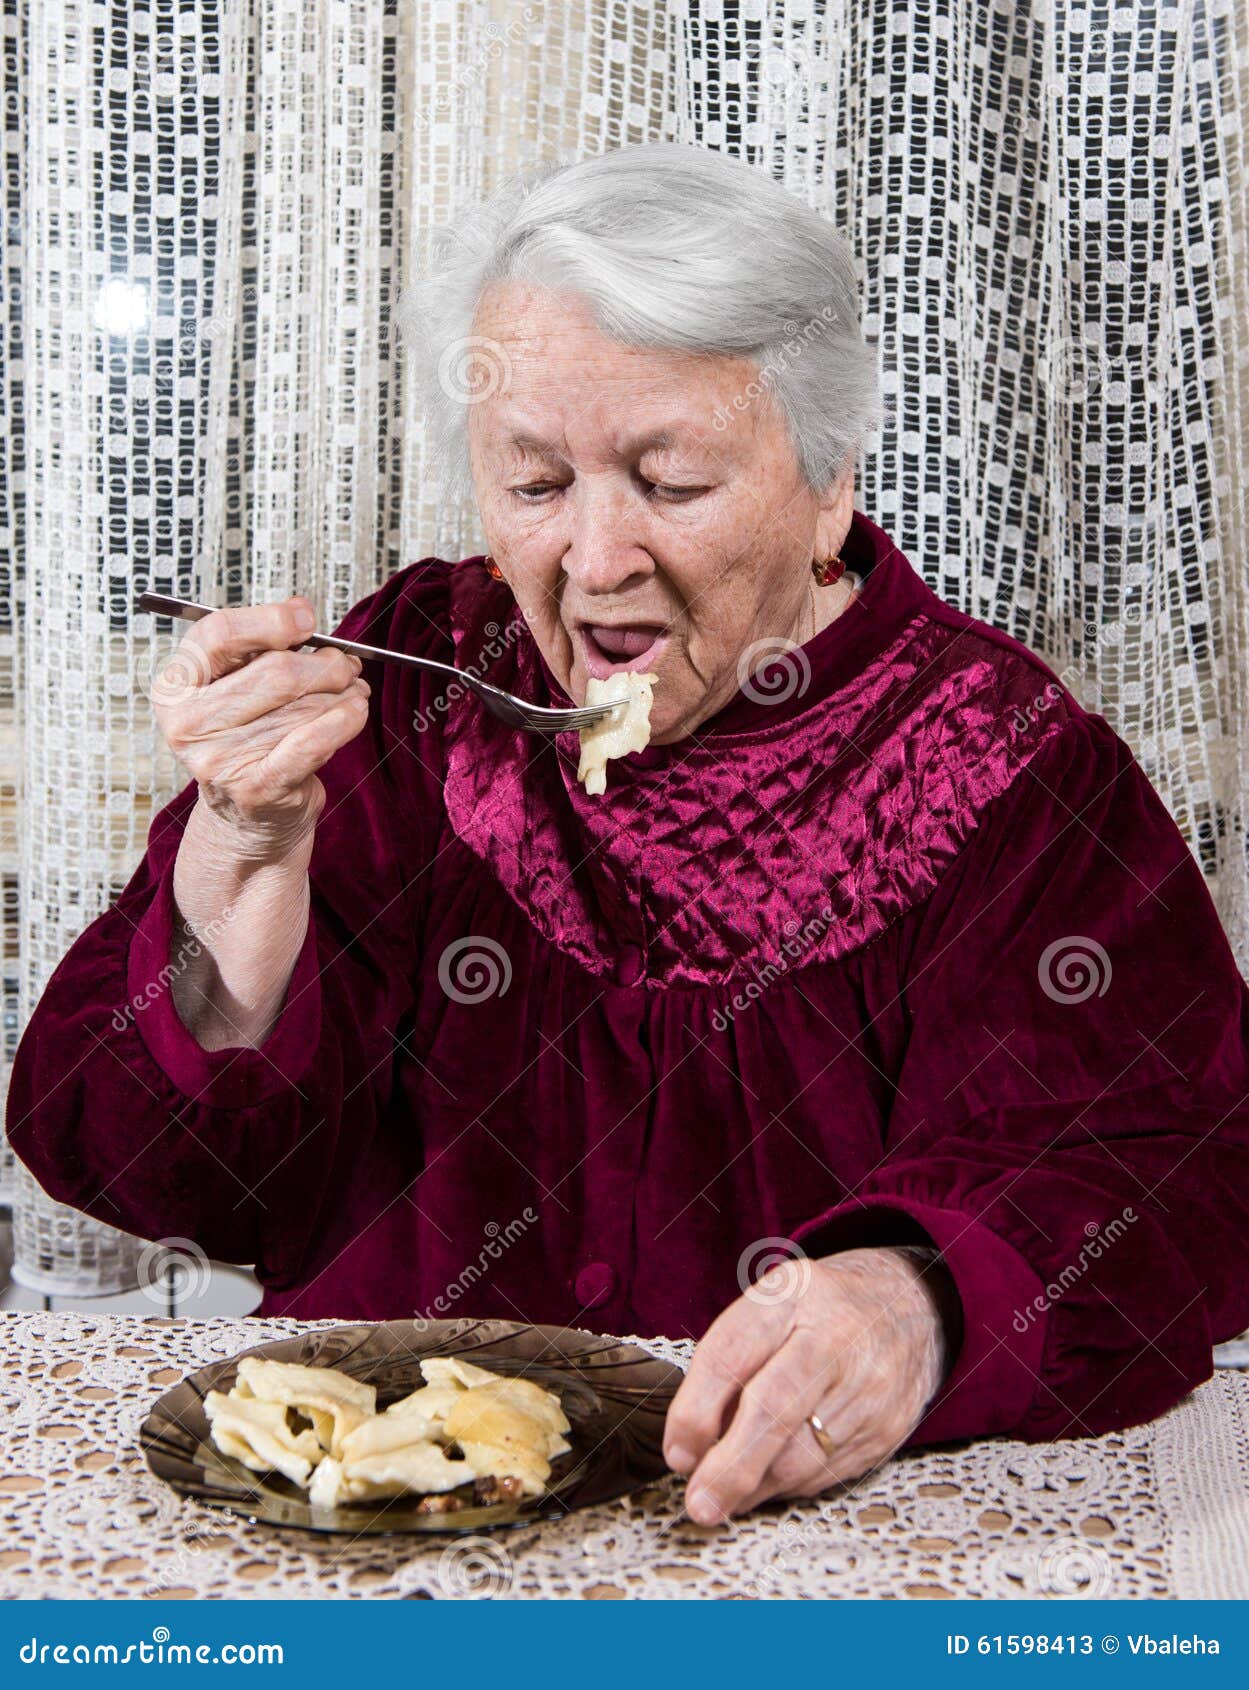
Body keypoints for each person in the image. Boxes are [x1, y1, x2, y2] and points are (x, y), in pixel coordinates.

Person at [10, 144, 1249, 1528]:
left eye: (668, 482)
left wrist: (916, 1298)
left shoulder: (1002, 761)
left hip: (798, 1538)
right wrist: (240, 850)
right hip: (389, 1536)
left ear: (828, 479)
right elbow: (157, 1171)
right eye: (535, 486)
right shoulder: (415, 689)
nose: (595, 560)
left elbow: (1168, 1167)